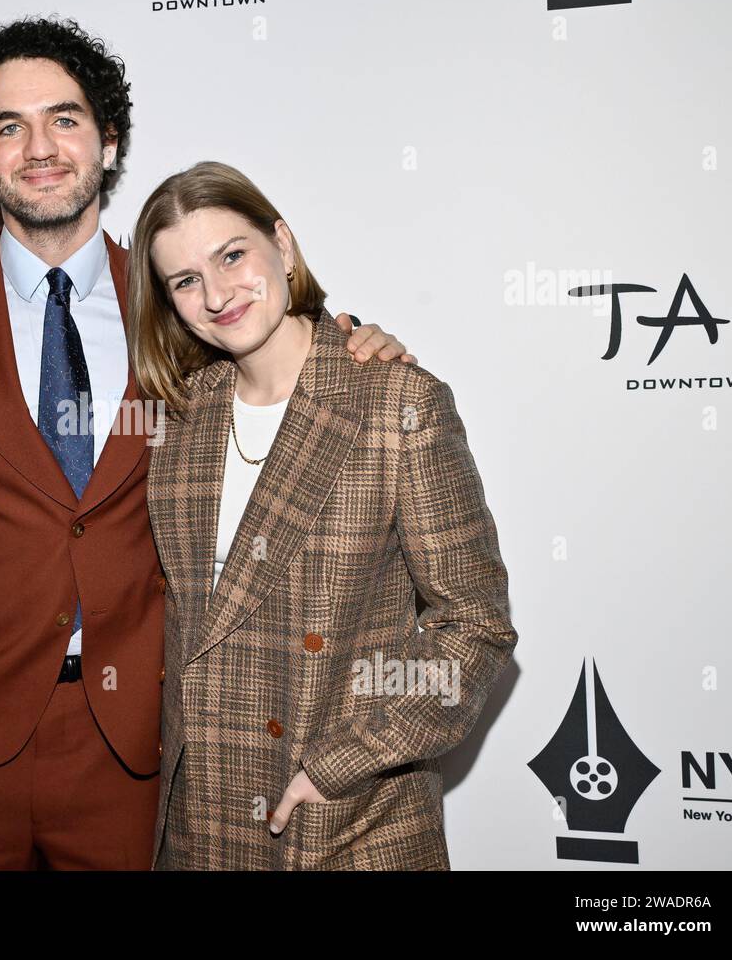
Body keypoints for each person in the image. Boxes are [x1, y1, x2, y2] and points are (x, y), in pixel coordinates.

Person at [0, 19, 412, 870]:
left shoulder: (179, 302)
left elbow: (281, 358)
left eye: (65, 119)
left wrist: (359, 343)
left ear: (108, 142)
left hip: (132, 742)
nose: (39, 147)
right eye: (10, 126)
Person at [129, 160, 517, 870]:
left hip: (345, 824)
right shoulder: (176, 420)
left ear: (283, 243)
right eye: (186, 280)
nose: (217, 294)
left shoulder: (398, 402)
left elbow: (476, 628)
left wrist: (341, 762)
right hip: (201, 825)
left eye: (233, 255)